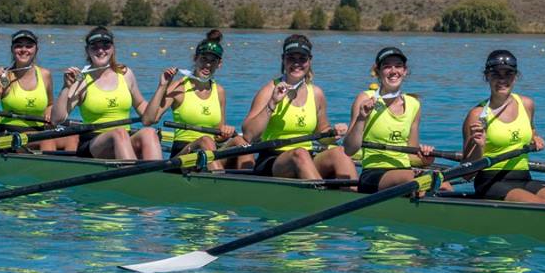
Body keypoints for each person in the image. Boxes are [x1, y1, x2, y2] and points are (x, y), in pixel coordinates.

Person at [242, 34, 356, 181]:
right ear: (283, 59)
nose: (297, 63)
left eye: (302, 59)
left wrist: (334, 134)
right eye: (291, 58)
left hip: (307, 157)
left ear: (309, 61)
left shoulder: (316, 94)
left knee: (340, 152)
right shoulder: (268, 90)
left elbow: (322, 133)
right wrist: (272, 104)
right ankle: (319, 196)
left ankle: (355, 197)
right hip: (273, 159)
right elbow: (249, 135)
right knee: (300, 153)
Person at [461, 49, 545, 204]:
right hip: (490, 182)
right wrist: (479, 146)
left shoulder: (527, 105)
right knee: (543, 205)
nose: (502, 79)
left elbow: (530, 132)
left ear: (516, 77)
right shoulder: (477, 115)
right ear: (487, 77)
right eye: (496, 74)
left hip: (523, 178)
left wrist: (534, 138)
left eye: (508, 74)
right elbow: (466, 174)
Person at [344, 47, 451, 193]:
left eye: (398, 66)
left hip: (406, 171)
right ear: (378, 72)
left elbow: (412, 155)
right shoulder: (365, 99)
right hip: (373, 174)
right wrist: (362, 118)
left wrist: (426, 159)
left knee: (445, 184)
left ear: (405, 71)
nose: (394, 71)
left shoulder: (414, 104)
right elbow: (349, 150)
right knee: (413, 179)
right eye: (387, 66)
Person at [143, 29, 252, 171]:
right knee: (205, 140)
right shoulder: (179, 87)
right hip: (182, 155)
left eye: (213, 61)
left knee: (241, 142)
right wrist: (162, 86)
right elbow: (148, 120)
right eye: (204, 59)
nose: (207, 65)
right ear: (195, 59)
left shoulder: (219, 91)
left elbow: (218, 136)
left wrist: (226, 132)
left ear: (219, 64)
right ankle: (219, 181)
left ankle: (251, 185)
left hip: (210, 152)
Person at [51, 26, 161, 160]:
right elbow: (57, 119)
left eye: (106, 46)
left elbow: (141, 106)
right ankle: (133, 176)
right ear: (87, 51)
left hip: (123, 139)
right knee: (119, 132)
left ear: (113, 49)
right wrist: (65, 87)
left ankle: (154, 176)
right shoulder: (81, 80)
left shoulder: (125, 74)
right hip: (92, 144)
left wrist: (162, 88)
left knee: (149, 132)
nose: (101, 50)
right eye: (95, 47)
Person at [0, 29, 75, 153]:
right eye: (19, 46)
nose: (24, 50)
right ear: (12, 50)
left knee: (73, 138)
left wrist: (49, 111)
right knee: (47, 141)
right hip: (10, 134)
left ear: (36, 50)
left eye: (29, 46)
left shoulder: (45, 75)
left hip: (38, 132)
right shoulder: (4, 77)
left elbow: (50, 104)